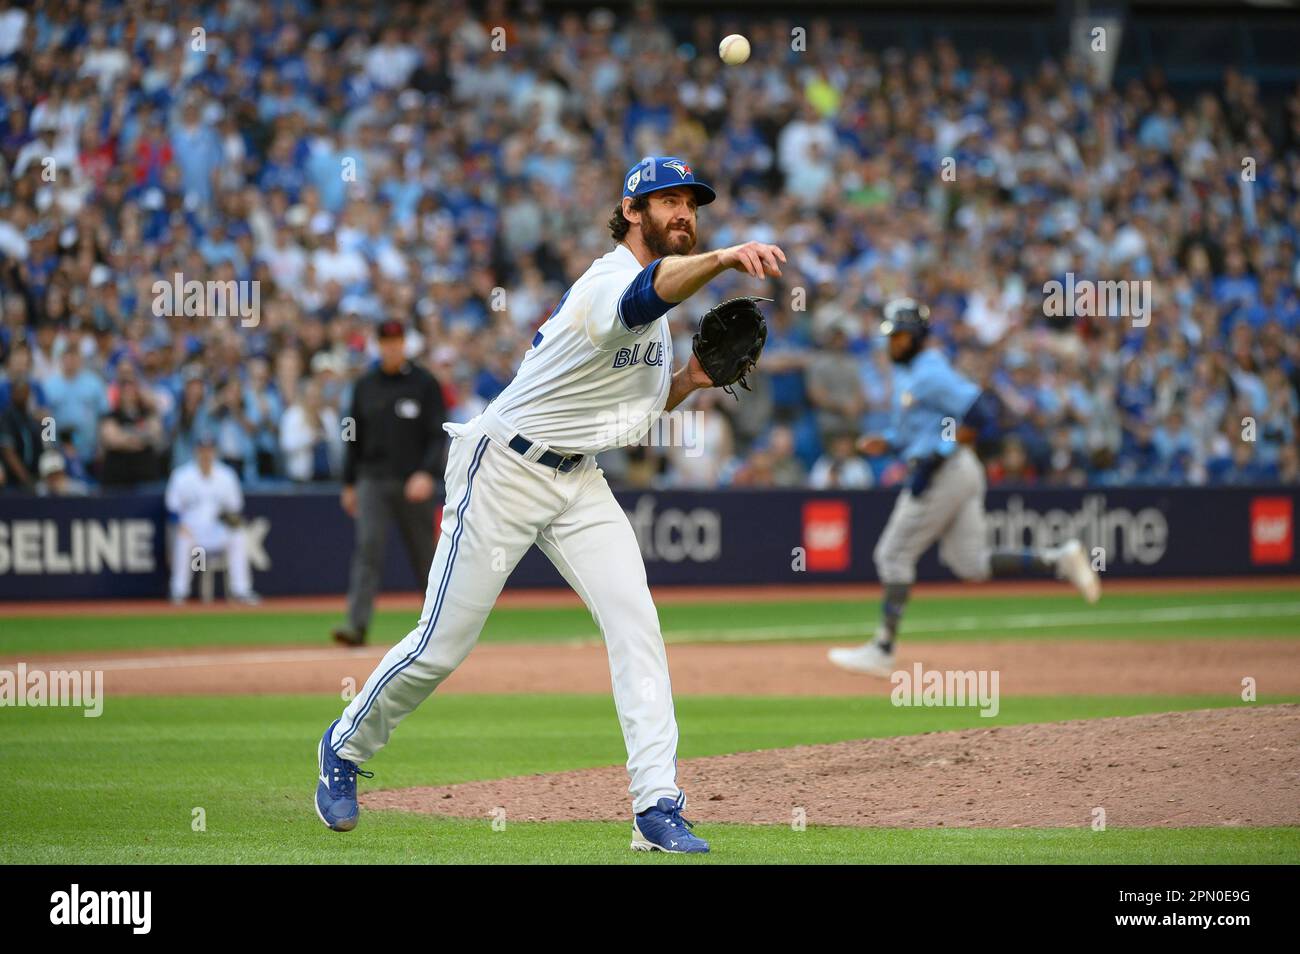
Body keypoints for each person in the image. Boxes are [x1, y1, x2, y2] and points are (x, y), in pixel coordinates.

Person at [314, 155, 786, 854]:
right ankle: (343, 747)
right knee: (443, 643)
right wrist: (722, 259)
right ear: (632, 211)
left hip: (577, 480)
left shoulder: (658, 328)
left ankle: (655, 805)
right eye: (668, 201)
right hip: (502, 467)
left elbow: (636, 414)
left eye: (693, 202)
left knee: (636, 624)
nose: (684, 212)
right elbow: (641, 298)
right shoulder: (607, 284)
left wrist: (689, 378)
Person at [828, 298, 1101, 677]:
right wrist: (890, 442)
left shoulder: (928, 371)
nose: (893, 343)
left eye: (901, 336)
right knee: (970, 563)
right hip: (958, 471)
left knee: (891, 555)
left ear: (918, 337)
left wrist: (939, 454)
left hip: (946, 473)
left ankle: (883, 648)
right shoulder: (913, 373)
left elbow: (979, 412)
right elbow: (922, 426)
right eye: (891, 336)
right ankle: (1060, 558)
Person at [330, 319, 447, 646]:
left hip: (414, 482)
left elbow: (437, 434)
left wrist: (427, 472)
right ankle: (356, 626)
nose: (391, 347)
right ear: (378, 345)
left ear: (404, 344)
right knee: (367, 551)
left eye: (396, 341)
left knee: (425, 556)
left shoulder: (425, 384)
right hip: (372, 480)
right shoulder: (365, 385)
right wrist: (349, 482)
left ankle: (442, 627)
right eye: (385, 341)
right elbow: (351, 435)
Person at [164, 434, 259, 605]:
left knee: (238, 536)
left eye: (209, 450)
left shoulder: (226, 475)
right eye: (202, 450)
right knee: (183, 539)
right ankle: (180, 591)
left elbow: (235, 507)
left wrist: (231, 519)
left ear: (215, 452)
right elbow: (172, 507)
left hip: (217, 532)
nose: (206, 454)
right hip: (193, 536)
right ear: (196, 451)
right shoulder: (182, 475)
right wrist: (180, 524)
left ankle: (241, 590)